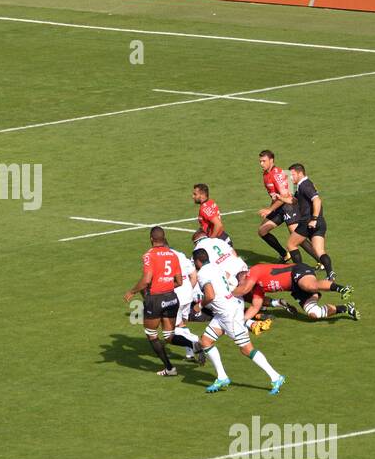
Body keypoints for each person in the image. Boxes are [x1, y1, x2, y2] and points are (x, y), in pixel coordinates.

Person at [192, 252, 286, 395]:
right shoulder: (215, 266)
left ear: (197, 261)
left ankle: (276, 376)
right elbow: (232, 280)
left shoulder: (202, 273)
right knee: (206, 341)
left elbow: (210, 295)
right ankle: (222, 377)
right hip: (226, 310)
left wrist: (199, 306)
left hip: (228, 314)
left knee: (246, 349)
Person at [123, 227, 183, 376]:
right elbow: (180, 281)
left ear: (151, 239)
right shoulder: (173, 255)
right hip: (171, 297)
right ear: (164, 238)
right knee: (169, 336)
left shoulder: (149, 255)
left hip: (155, 299)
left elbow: (146, 280)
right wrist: (166, 284)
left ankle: (169, 368)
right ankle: (194, 345)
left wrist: (132, 291)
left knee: (151, 334)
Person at [282, 163, 335, 278]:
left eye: (293, 175)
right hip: (320, 222)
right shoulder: (303, 185)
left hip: (308, 221)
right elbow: (294, 201)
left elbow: (317, 200)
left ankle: (299, 272)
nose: (291, 178)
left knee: (291, 244)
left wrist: (314, 219)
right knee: (319, 251)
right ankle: (330, 273)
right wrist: (280, 197)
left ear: (300, 173)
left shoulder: (305, 185)